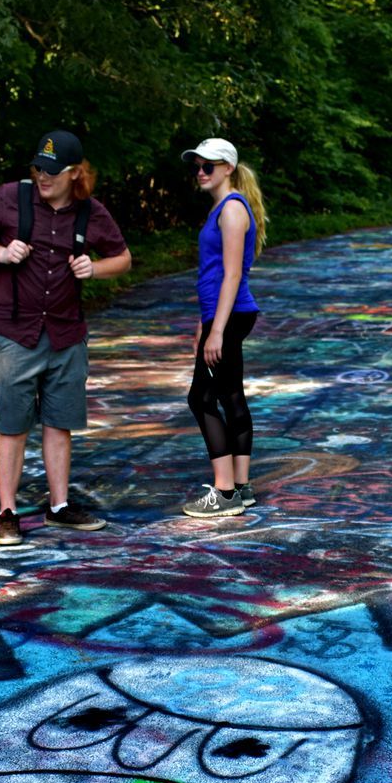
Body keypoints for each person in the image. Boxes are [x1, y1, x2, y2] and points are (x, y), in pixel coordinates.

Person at [0, 130, 133, 545]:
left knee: (59, 422)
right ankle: (7, 512)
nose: (43, 177)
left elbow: (123, 259)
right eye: (38, 168)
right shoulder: (9, 198)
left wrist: (96, 269)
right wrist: (1, 254)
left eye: (53, 171)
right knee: (13, 424)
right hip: (15, 330)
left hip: (66, 332)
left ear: (75, 173)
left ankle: (58, 507)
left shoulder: (91, 212)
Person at [179, 137, 266, 518]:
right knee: (230, 394)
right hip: (223, 315)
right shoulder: (225, 208)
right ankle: (242, 486)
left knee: (200, 398)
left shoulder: (231, 210)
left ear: (227, 168)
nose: (200, 172)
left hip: (229, 315)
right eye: (197, 166)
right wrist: (205, 324)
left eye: (208, 166)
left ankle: (225, 492)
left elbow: (231, 275)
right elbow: (215, 275)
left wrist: (217, 330)